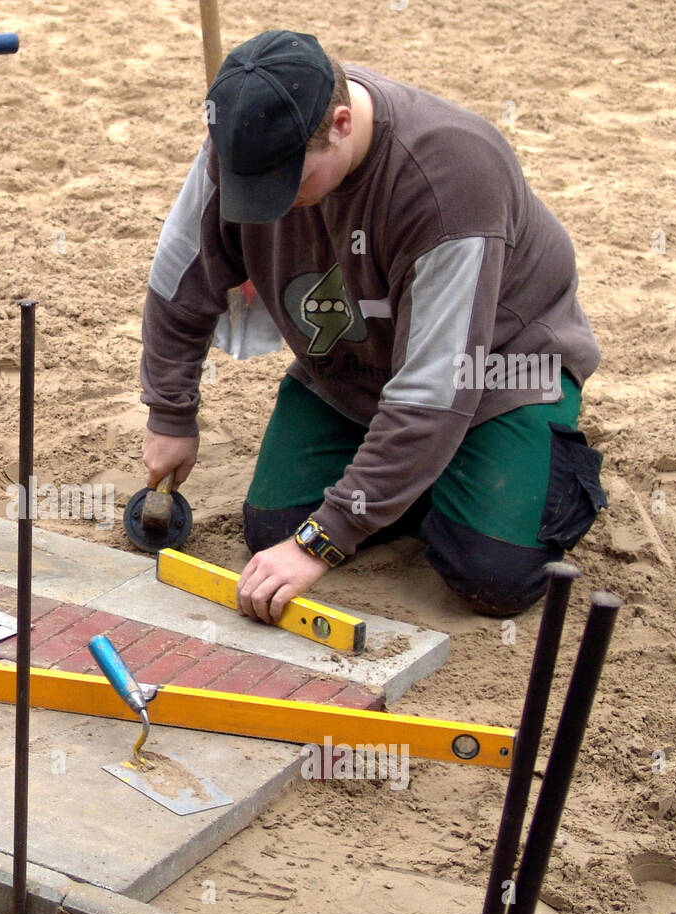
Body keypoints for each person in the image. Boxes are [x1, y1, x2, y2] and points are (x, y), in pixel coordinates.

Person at [139, 29, 606, 622]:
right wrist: (171, 412)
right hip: (353, 368)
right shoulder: (244, 146)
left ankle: (490, 465)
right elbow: (181, 284)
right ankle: (417, 479)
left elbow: (435, 388)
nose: (268, 209)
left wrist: (324, 539)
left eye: (288, 186)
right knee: (270, 532)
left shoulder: (453, 179)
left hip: (497, 374)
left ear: (339, 124)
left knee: (492, 575)